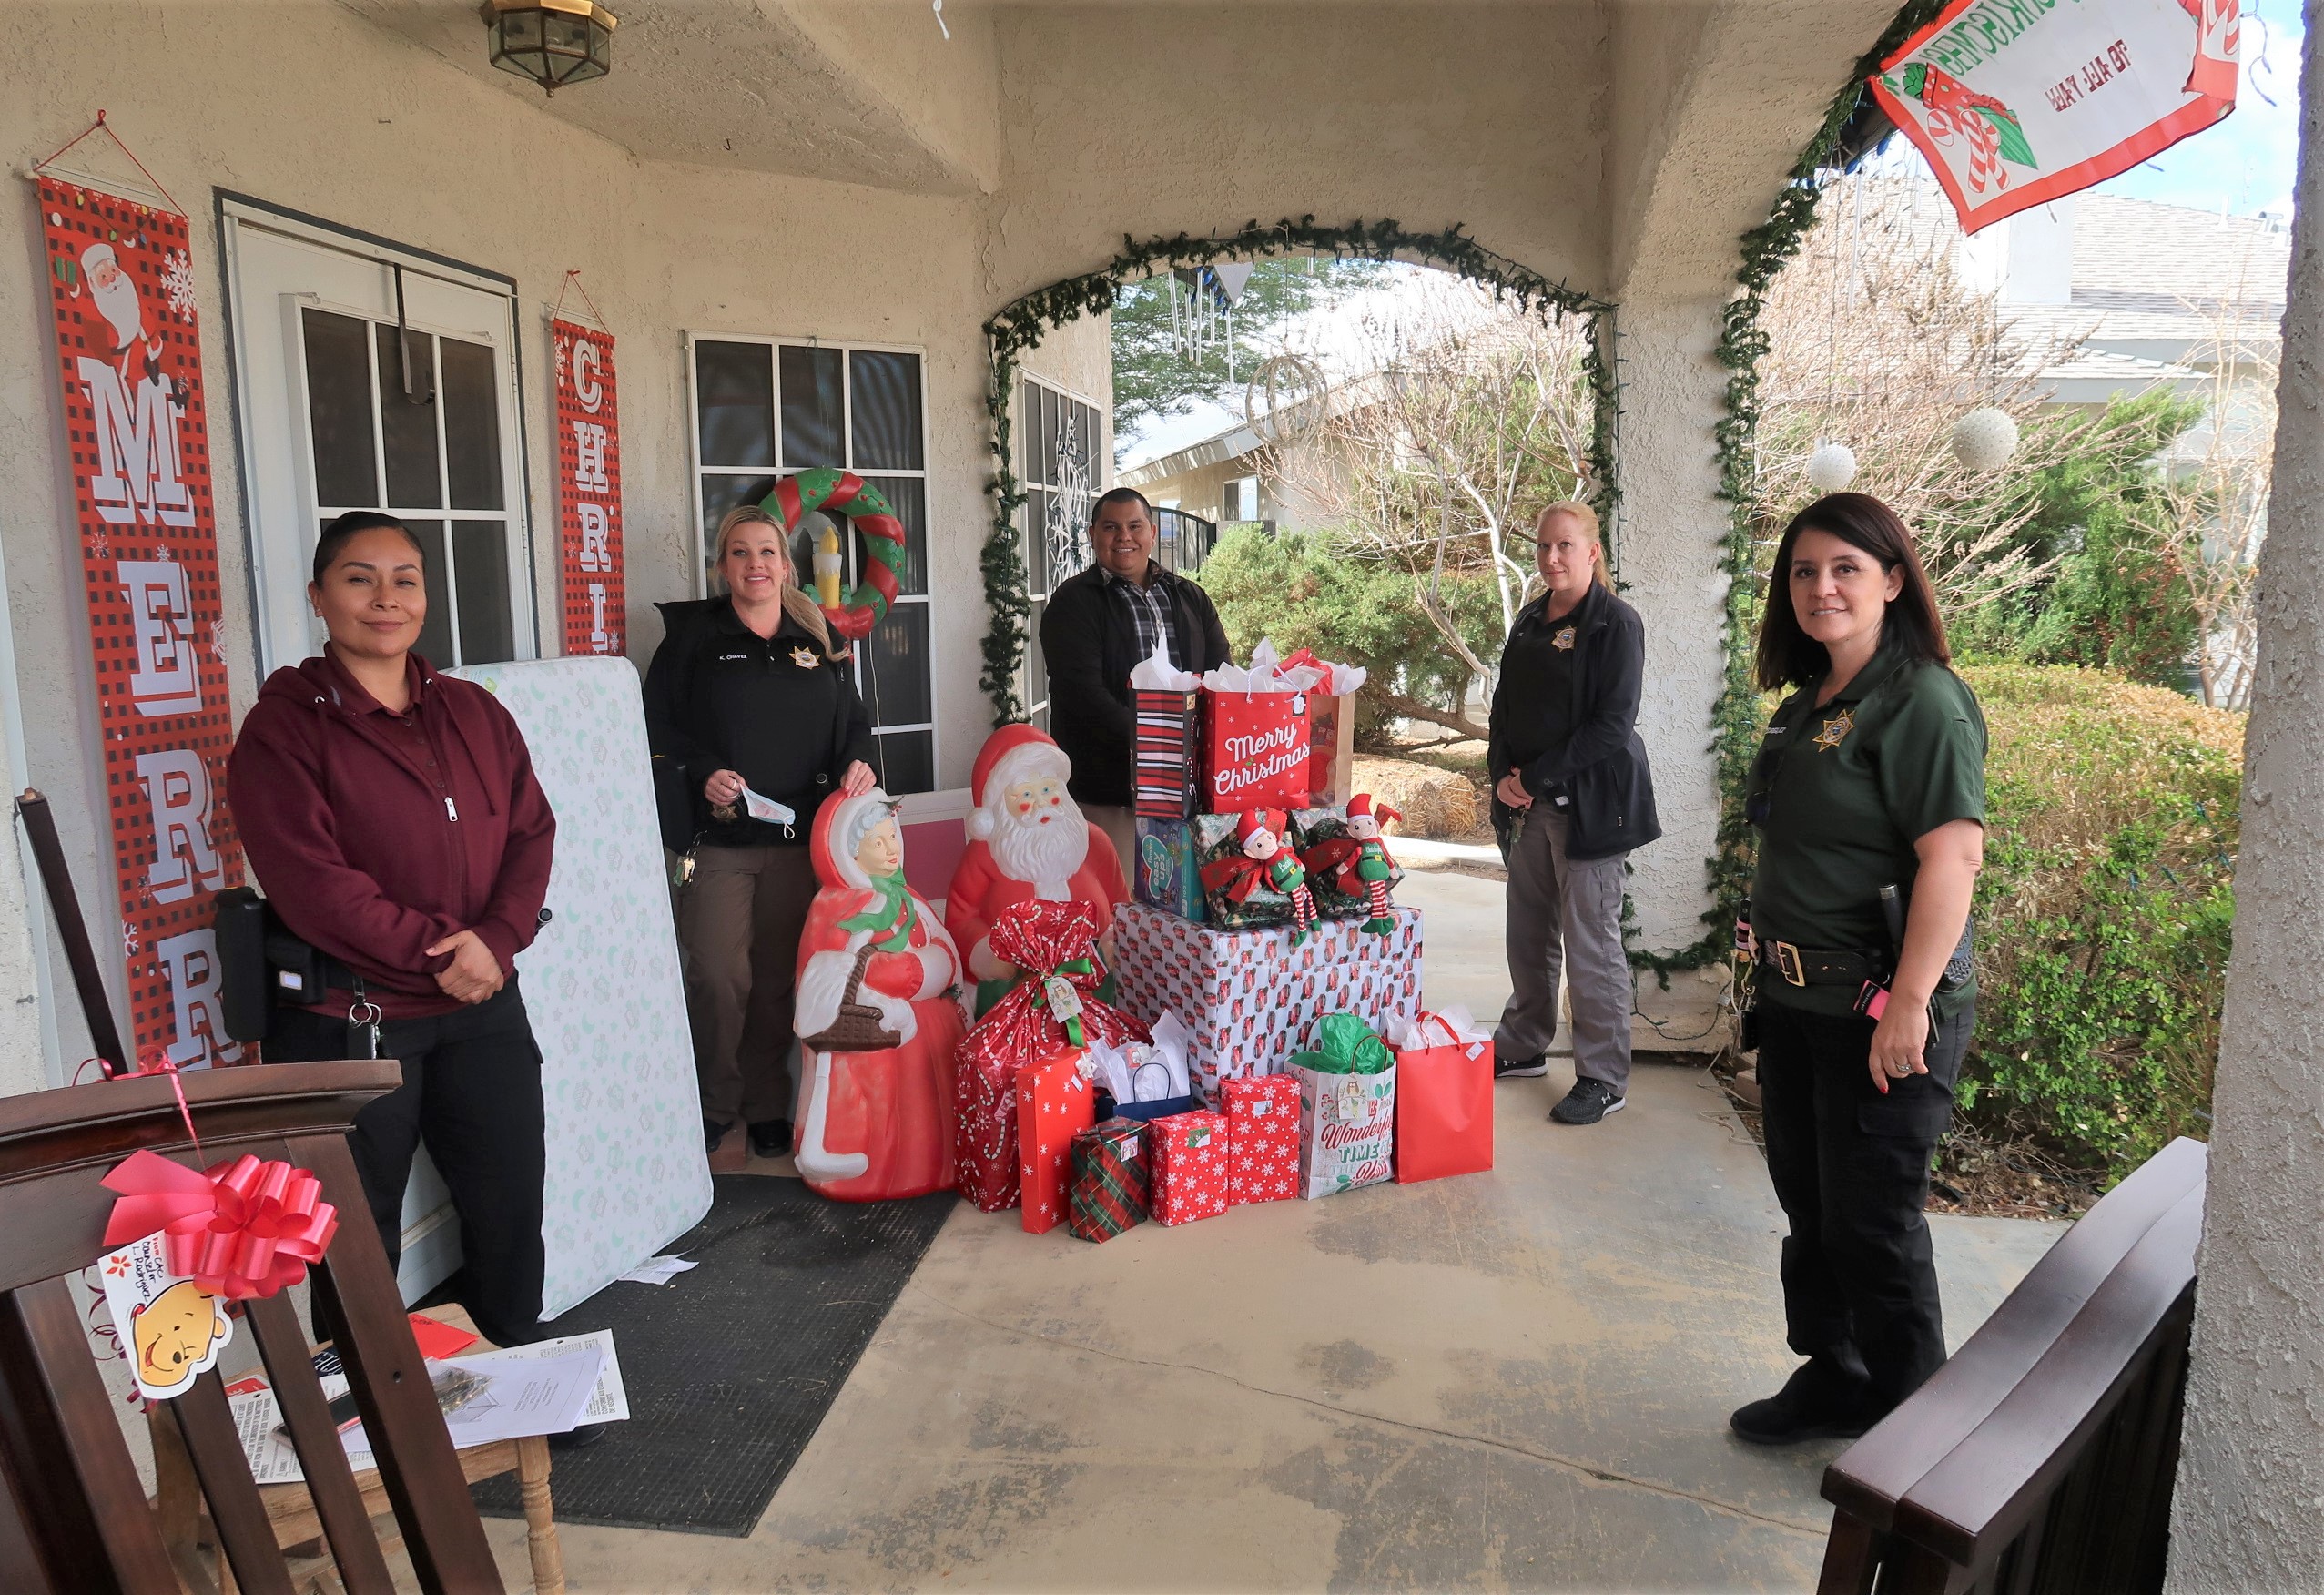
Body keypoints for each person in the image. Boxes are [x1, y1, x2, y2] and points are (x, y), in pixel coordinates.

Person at [229, 512, 557, 1351]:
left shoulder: (473, 712)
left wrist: (500, 938)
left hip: (484, 1006)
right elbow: (314, 886)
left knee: (507, 1201)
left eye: (405, 579)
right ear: (318, 596)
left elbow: (529, 831)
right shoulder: (285, 727)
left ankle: (512, 1372)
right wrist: (441, 954)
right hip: (350, 1020)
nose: (386, 598)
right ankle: (371, 1410)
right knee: (351, 1234)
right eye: (358, 578)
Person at [1729, 492, 1985, 1446]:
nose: (1821, 586)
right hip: (1800, 1006)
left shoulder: (1922, 698)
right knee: (1813, 1211)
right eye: (1803, 570)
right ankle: (1835, 1375)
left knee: (1873, 1227)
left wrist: (1910, 1003)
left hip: (1883, 1013)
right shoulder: (1809, 707)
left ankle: (1919, 1435)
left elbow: (1951, 859)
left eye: (1844, 568)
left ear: (1891, 579)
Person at [645, 504, 877, 1169]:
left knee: (777, 978)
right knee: (719, 975)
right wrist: (702, 773)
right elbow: (658, 727)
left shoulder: (817, 634)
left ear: (786, 564)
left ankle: (766, 1105)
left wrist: (859, 759)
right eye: (740, 553)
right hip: (720, 843)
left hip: (801, 842)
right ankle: (716, 1105)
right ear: (723, 566)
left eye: (767, 552)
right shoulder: (695, 638)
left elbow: (853, 724)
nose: (755, 565)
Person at [1487, 503, 1659, 1125]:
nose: (1551, 558)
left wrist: (1531, 778)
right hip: (1528, 805)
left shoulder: (1615, 624)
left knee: (1592, 944)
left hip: (1590, 809)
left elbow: (1611, 727)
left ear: (1592, 552)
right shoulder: (1531, 619)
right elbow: (1505, 705)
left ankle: (1603, 1077)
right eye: (1542, 547)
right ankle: (1523, 1044)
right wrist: (1502, 778)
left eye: (1564, 546)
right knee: (1527, 931)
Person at [1039, 487, 1233, 869]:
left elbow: (1219, 674)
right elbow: (1083, 696)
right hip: (1110, 791)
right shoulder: (1073, 603)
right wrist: (1158, 743)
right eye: (1111, 527)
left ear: (1152, 533)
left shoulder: (1190, 596)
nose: (1124, 536)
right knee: (1118, 908)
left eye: (1134, 526)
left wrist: (1200, 745)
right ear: (1093, 535)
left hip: (1189, 788)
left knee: (1183, 907)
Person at [791, 787, 967, 1200]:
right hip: (870, 1035)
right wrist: (900, 973)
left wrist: (926, 969)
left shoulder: (910, 899)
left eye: (893, 836)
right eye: (877, 841)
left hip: (927, 1028)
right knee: (883, 1110)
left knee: (928, 1106)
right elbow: (834, 971)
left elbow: (943, 946)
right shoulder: (833, 906)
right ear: (850, 853)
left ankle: (933, 1165)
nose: (891, 849)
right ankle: (872, 1172)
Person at [944, 724, 1128, 1009]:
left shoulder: (1095, 843)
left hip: (1093, 988)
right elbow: (961, 918)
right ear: (1001, 805)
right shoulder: (984, 855)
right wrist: (990, 955)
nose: (1041, 802)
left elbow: (1121, 907)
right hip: (1014, 995)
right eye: (1025, 795)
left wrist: (1113, 940)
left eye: (1046, 789)